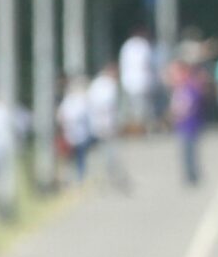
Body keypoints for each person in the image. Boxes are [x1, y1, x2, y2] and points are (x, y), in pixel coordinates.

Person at [87, 64, 129, 192]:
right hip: (105, 123)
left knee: (105, 151)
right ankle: (108, 175)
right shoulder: (108, 85)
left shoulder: (96, 84)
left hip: (98, 123)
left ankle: (105, 175)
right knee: (108, 151)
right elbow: (108, 105)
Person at [167, 60, 205, 188]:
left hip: (189, 124)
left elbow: (188, 105)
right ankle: (190, 175)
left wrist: (176, 113)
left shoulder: (189, 86)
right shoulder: (181, 87)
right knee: (185, 152)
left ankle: (192, 176)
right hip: (183, 124)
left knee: (189, 151)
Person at [56, 76, 94, 185]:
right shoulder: (69, 100)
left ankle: (80, 178)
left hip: (80, 135)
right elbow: (61, 115)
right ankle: (69, 180)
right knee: (68, 160)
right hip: (69, 135)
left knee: (80, 158)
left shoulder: (82, 100)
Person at [118, 27, 155, 133]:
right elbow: (148, 63)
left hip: (129, 81)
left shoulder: (127, 45)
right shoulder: (143, 45)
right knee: (141, 109)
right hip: (141, 82)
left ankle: (136, 128)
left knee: (132, 108)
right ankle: (140, 129)